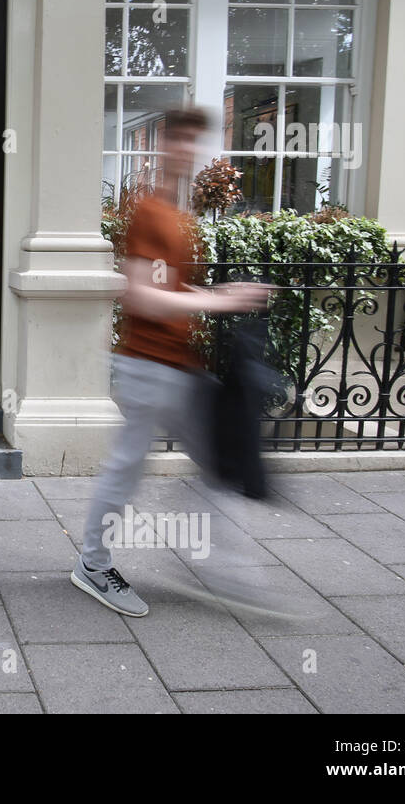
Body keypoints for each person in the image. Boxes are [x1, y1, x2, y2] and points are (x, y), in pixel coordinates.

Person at [69, 109, 270, 617]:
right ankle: (95, 565)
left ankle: (223, 568)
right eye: (178, 140)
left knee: (212, 465)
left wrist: (219, 292)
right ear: (163, 144)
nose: (185, 150)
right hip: (148, 367)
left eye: (193, 142)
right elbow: (143, 298)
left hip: (178, 367)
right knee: (129, 469)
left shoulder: (178, 217)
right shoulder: (150, 215)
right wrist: (219, 300)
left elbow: (169, 290)